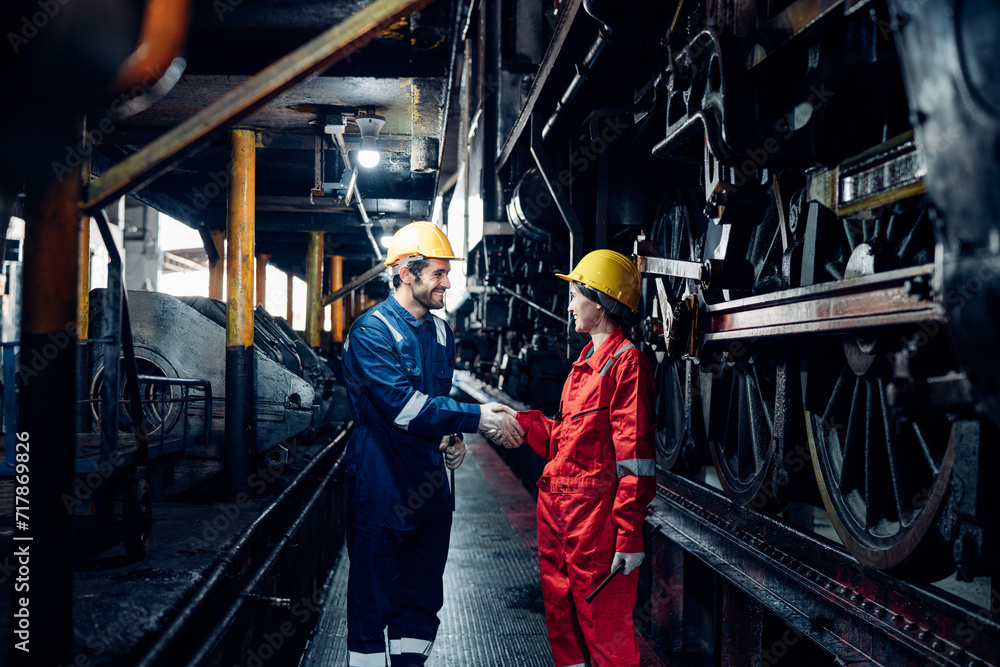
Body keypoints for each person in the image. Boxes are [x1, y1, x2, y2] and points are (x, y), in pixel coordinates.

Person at [341, 220, 524, 667]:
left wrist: (452, 436)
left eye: (447, 272)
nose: (448, 282)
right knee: (373, 604)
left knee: (421, 602)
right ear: (407, 273)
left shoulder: (442, 333)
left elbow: (436, 402)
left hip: (428, 492)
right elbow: (403, 408)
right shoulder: (371, 333)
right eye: (439, 273)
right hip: (380, 489)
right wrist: (478, 416)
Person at [515, 249, 656, 667]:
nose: (571, 304)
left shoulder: (626, 363)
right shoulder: (584, 365)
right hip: (560, 514)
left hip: (595, 524)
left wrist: (628, 535)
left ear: (598, 300)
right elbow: (567, 443)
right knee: (563, 624)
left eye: (576, 295)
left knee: (605, 630)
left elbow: (634, 459)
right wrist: (520, 423)